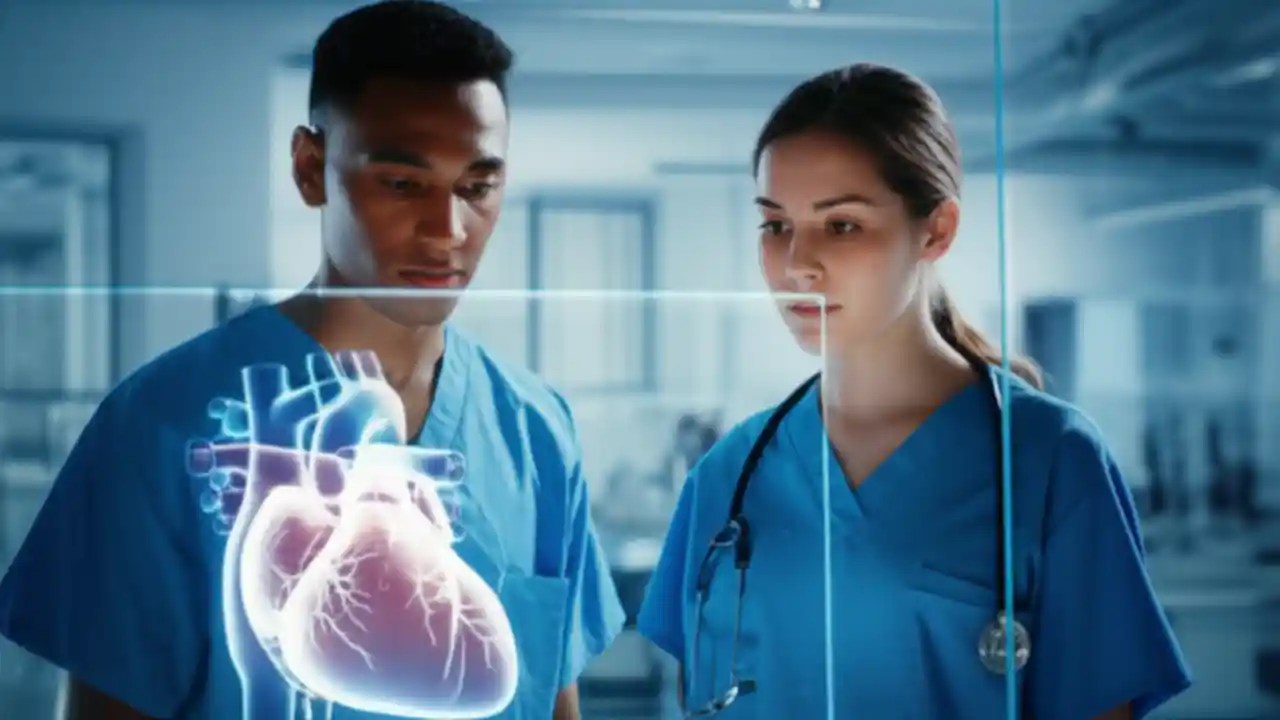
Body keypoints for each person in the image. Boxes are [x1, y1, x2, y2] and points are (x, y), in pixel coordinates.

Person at [0, 2, 624, 719]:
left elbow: (552, 702)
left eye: (477, 187)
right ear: (310, 168)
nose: (447, 230)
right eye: (402, 183)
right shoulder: (162, 426)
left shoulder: (536, 432)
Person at [635, 64, 1192, 720]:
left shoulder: (1047, 458)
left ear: (936, 231)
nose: (796, 264)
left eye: (841, 225)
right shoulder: (729, 473)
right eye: (774, 225)